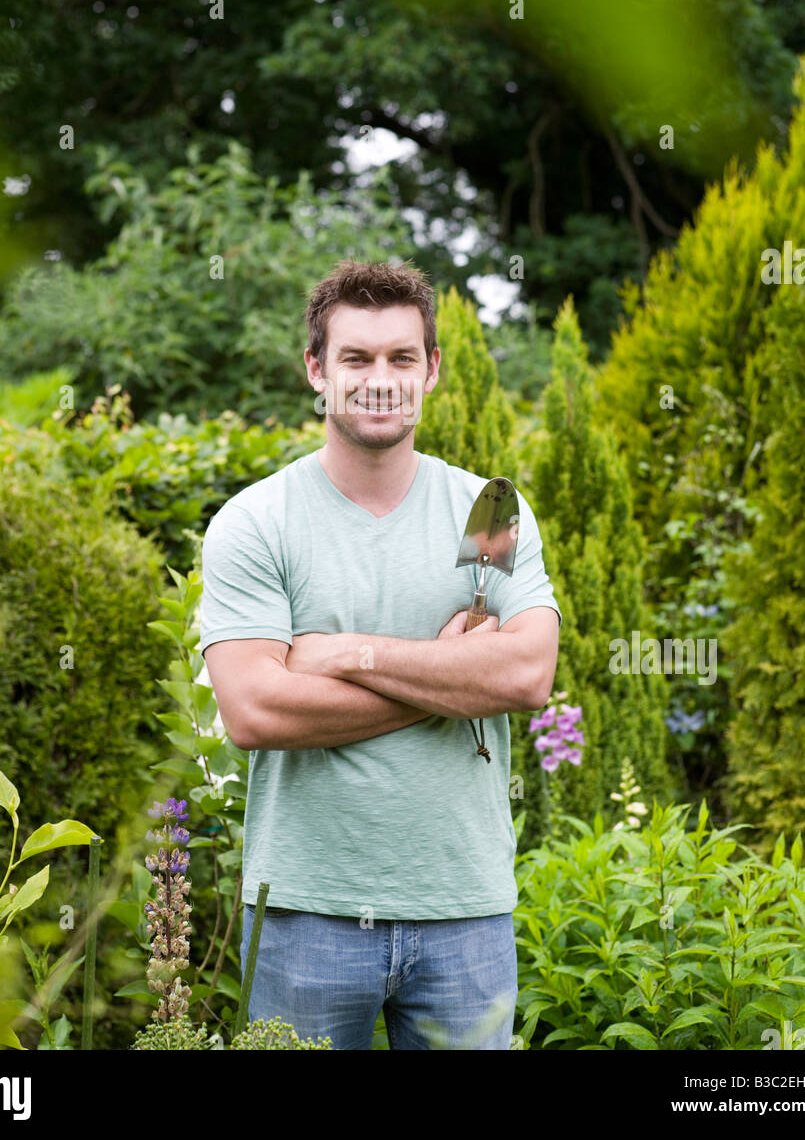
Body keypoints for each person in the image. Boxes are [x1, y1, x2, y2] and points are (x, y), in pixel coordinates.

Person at [200, 259, 561, 1050]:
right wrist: (450, 676)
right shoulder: (257, 522)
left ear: (431, 370)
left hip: (463, 905)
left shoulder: (486, 510)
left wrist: (345, 654)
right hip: (304, 910)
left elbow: (528, 673)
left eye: (402, 358)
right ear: (315, 372)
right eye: (355, 359)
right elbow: (255, 710)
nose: (380, 380)